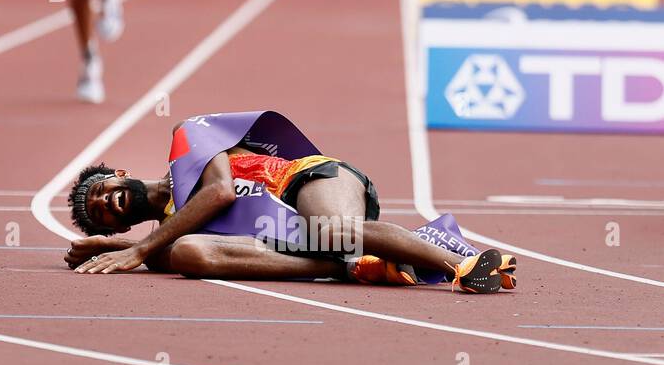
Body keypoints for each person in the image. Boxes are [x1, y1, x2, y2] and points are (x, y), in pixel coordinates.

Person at [64, 110, 517, 294]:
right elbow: (171, 247)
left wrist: (137, 251)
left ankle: (467, 265)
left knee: (333, 230)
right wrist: (128, 252)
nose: (106, 201)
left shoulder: (186, 141)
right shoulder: (167, 240)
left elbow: (220, 191)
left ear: (118, 173)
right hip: (290, 241)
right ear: (117, 229)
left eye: (101, 189)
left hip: (309, 182)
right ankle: (347, 265)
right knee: (186, 253)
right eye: (103, 214)